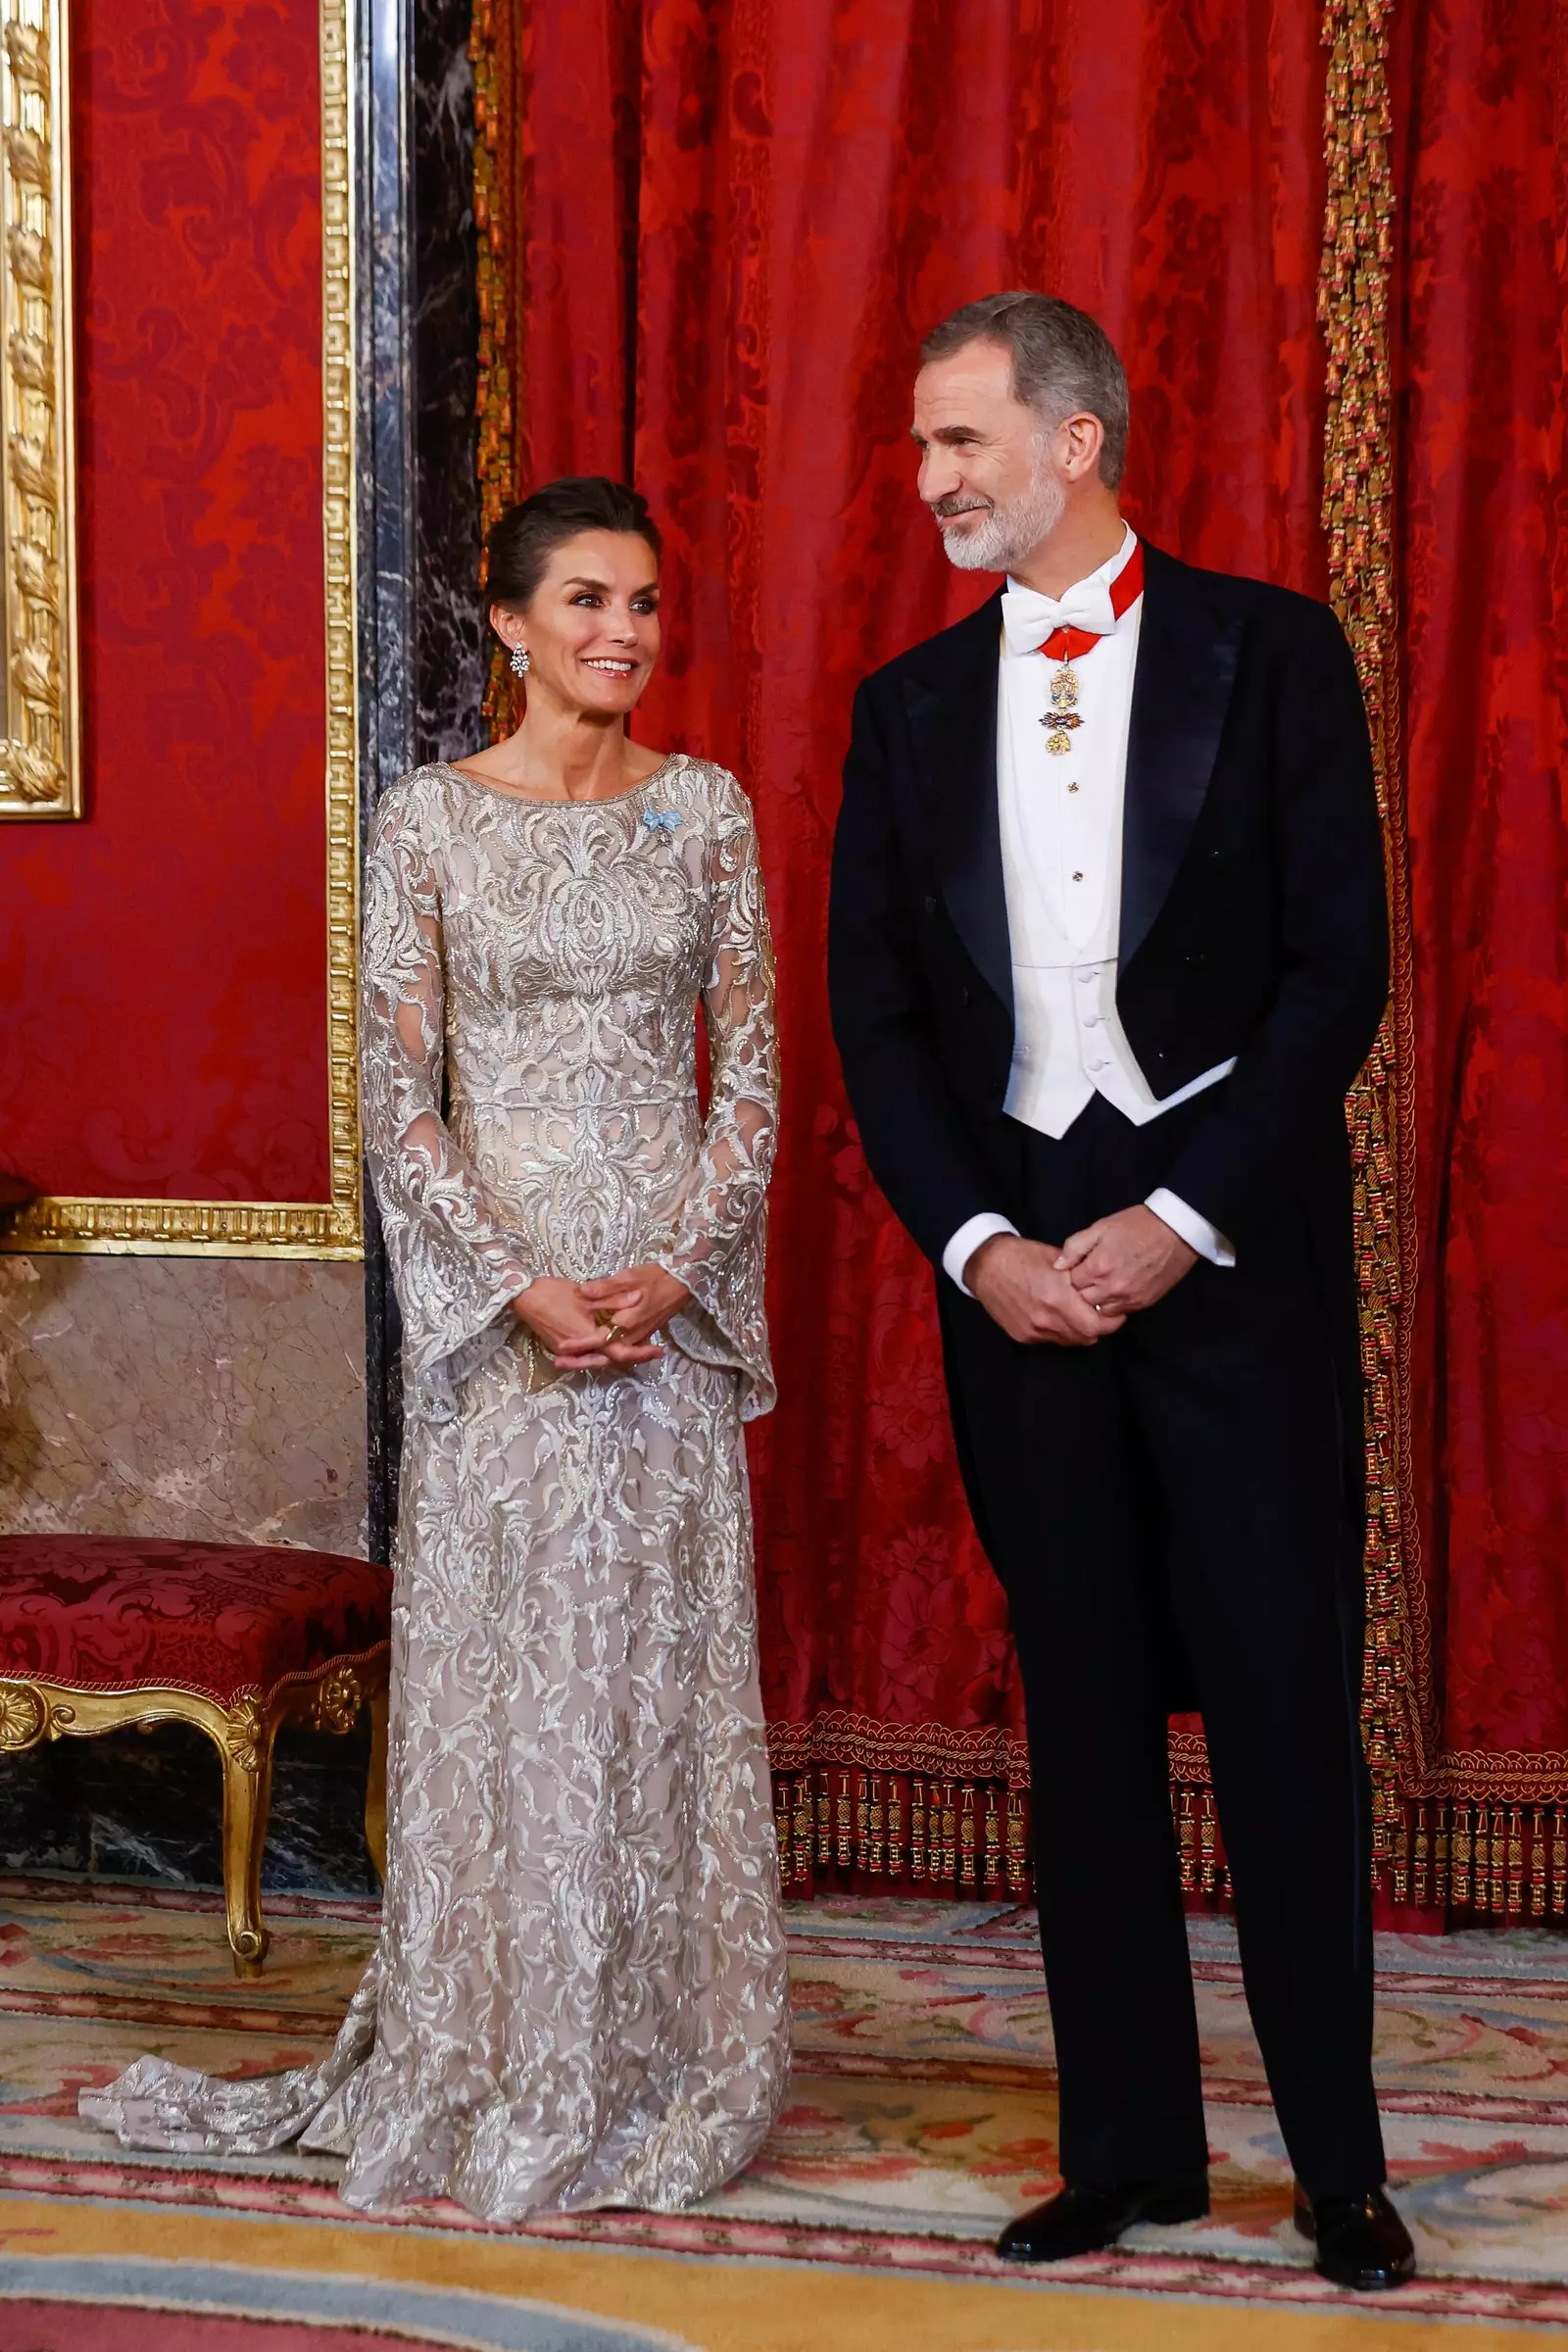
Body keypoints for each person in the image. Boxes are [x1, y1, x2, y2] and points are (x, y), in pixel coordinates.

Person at [81, 475, 790, 2219]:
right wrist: (523, 1287)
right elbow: (400, 1098)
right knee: (509, 1689)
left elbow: (755, 1075)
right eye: (586, 603)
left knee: (643, 1683)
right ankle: (488, 2042)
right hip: (503, 1333)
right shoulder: (427, 823)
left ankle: (653, 2049)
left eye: (642, 605)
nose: (622, 633)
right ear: (508, 622)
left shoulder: (705, 812)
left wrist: (675, 1268)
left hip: (665, 1329)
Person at [828, 294, 1414, 2291]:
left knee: (1274, 1713)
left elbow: (1336, 970)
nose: (928, 484)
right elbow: (876, 1024)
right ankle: (1129, 2152)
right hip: (1013, 1260)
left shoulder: (1269, 653)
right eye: (921, 450)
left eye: (957, 444)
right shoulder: (899, 704)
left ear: (1070, 439)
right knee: (1076, 1722)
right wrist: (976, 1246)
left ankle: (1335, 2165)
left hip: (1222, 1243)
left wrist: (1180, 1212)